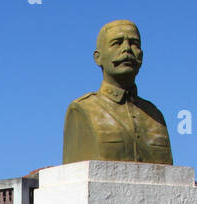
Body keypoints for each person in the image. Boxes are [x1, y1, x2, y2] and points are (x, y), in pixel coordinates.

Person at [62, 20, 173, 166]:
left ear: (142, 56)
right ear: (98, 57)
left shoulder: (155, 116)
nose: (127, 49)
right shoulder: (82, 110)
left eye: (134, 43)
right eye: (117, 43)